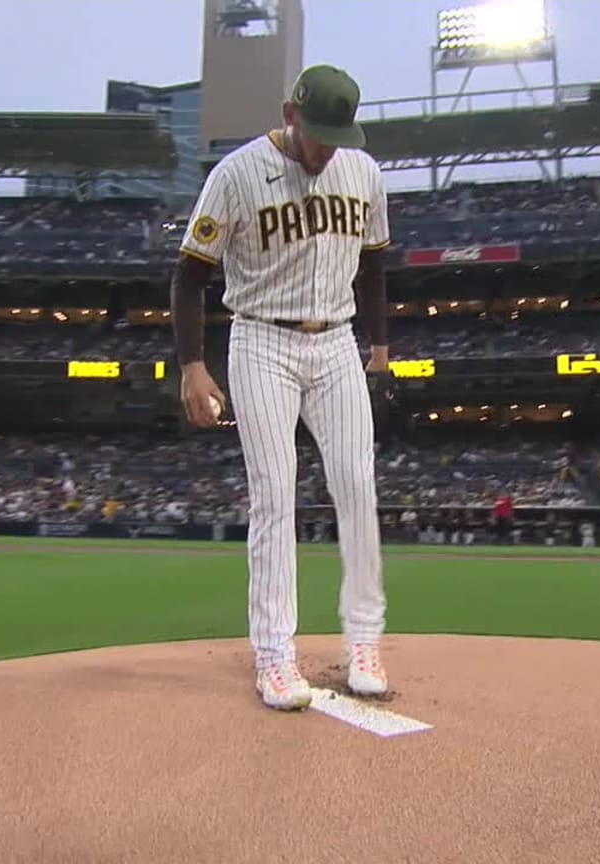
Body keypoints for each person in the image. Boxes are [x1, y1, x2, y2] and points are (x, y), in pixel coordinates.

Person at [171, 64, 390, 711]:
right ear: (289, 115)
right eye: (316, 133)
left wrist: (380, 347)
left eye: (336, 136)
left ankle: (365, 641)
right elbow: (189, 277)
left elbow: (374, 266)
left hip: (337, 342)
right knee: (275, 494)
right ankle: (273, 655)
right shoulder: (235, 175)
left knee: (356, 486)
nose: (326, 149)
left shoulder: (363, 172)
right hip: (261, 339)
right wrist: (191, 365)